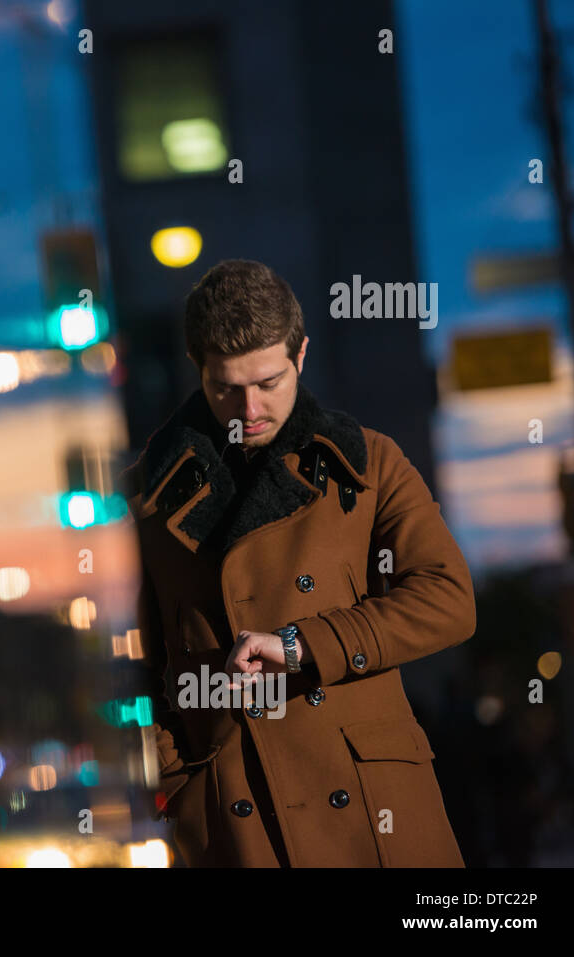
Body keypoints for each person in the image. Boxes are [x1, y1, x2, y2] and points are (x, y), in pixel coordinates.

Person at [120, 259, 476, 866]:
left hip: (372, 804)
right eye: (226, 387)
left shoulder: (367, 465)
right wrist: (180, 786)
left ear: (301, 355)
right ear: (197, 370)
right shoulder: (146, 501)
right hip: (238, 814)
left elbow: (448, 599)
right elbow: (133, 667)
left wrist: (301, 645)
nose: (249, 407)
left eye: (268, 382)